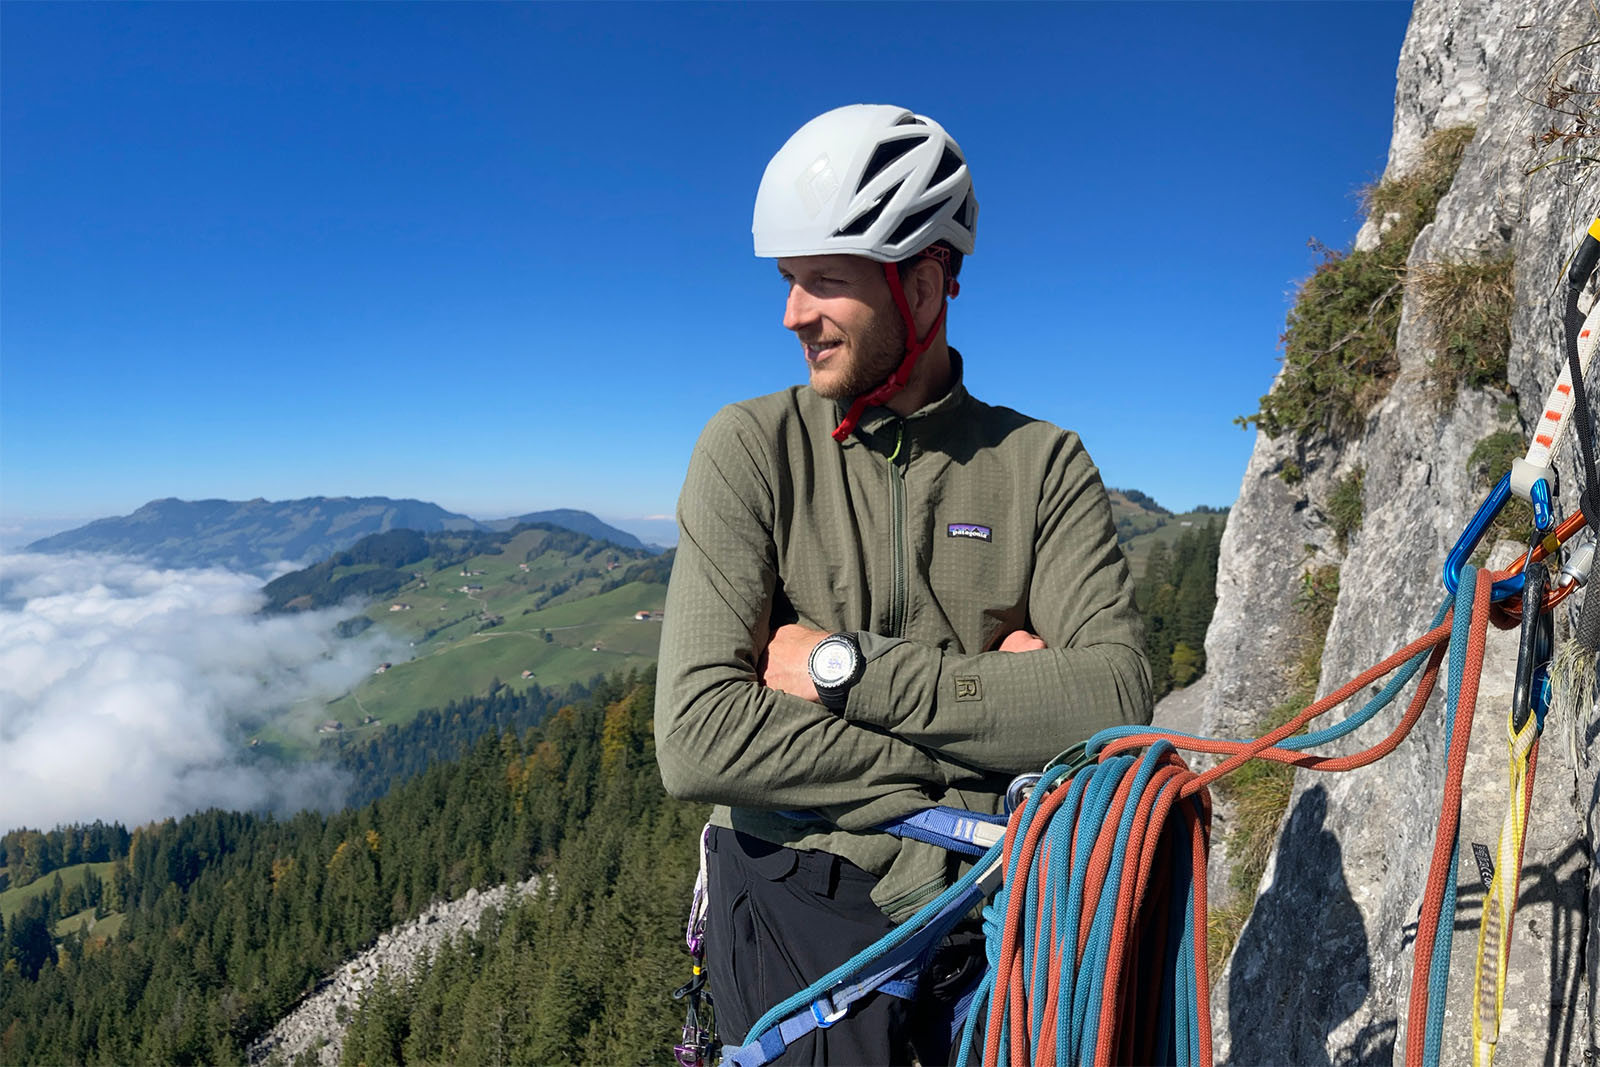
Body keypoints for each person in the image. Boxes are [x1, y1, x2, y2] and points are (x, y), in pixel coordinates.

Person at [655, 103, 1152, 1065]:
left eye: (823, 282)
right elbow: (698, 735)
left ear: (922, 285)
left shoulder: (1040, 466)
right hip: (795, 913)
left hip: (997, 921)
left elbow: (1116, 694)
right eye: (789, 281)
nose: (792, 313)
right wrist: (987, 749)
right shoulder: (752, 449)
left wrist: (841, 668)